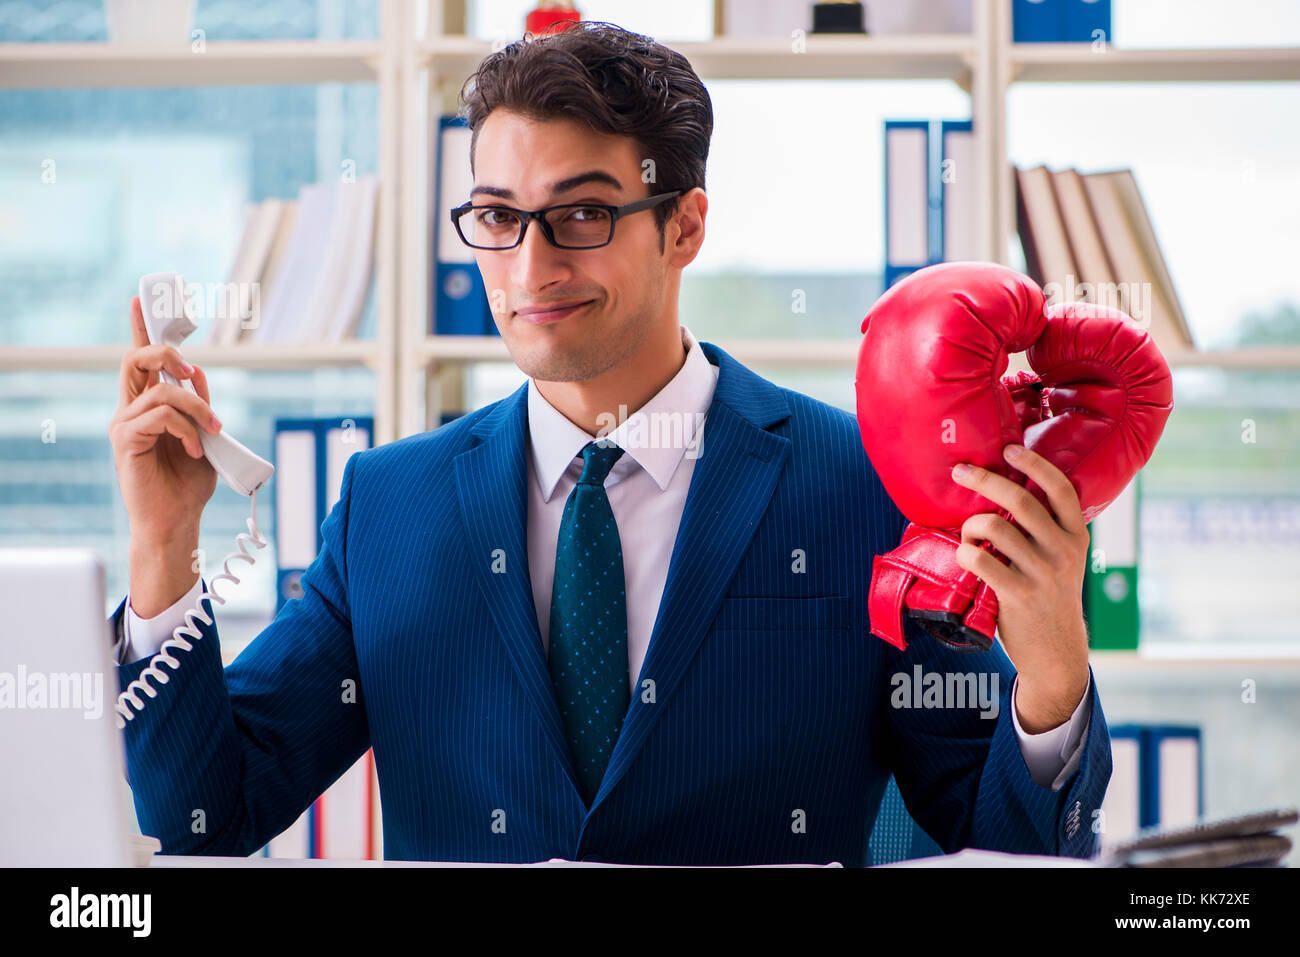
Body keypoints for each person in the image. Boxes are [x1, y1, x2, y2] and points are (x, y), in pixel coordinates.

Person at [106, 21, 1110, 865]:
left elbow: (1002, 848)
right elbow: (207, 816)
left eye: (581, 213)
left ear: (683, 227)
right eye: (497, 216)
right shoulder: (388, 505)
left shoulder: (859, 488)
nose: (530, 265)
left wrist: (1053, 675)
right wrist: (163, 553)